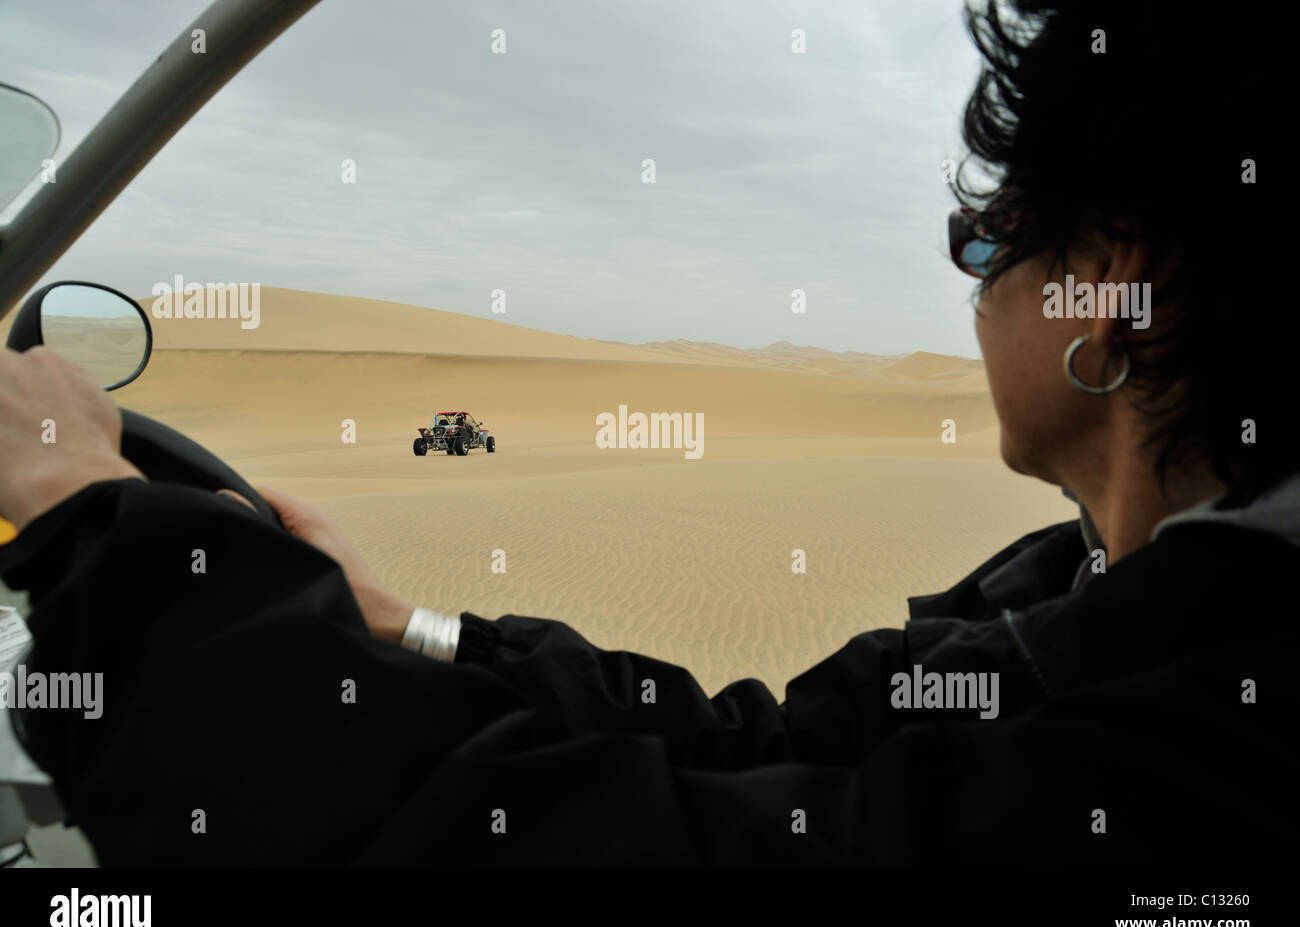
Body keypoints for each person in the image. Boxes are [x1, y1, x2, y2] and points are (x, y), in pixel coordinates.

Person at [0, 0, 1292, 865]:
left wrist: (86, 517)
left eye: (987, 239)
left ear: (1110, 288)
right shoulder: (1078, 599)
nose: (970, 287)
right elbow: (757, 743)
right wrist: (407, 625)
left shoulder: (1208, 733)